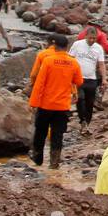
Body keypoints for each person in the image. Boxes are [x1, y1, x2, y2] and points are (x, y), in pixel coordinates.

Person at [25, 35, 83, 168]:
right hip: (62, 106)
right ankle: (54, 163)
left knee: (40, 132)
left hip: (46, 104)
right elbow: (79, 81)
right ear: (67, 47)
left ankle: (38, 159)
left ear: (54, 46)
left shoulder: (48, 61)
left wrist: (33, 103)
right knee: (58, 134)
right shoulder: (73, 62)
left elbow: (39, 83)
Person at [69, 27, 107, 133]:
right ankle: (82, 121)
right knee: (80, 99)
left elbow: (101, 64)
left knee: (90, 103)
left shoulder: (98, 48)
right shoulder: (77, 45)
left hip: (91, 79)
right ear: (85, 36)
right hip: (78, 78)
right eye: (90, 38)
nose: (91, 40)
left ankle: (87, 124)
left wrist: (104, 78)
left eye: (94, 38)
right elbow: (70, 59)